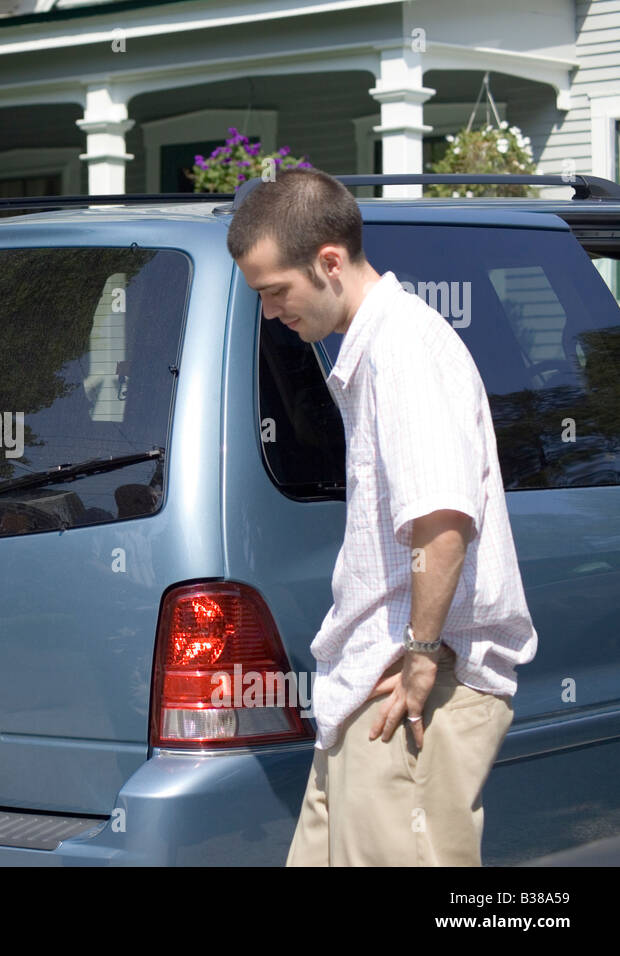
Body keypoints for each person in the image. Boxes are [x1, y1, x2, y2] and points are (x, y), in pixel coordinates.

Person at [226, 168, 537, 866]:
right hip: (367, 685)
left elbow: (441, 522)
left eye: (276, 292)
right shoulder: (378, 350)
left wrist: (424, 657)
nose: (273, 313)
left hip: (413, 684)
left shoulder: (403, 353)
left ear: (329, 262)